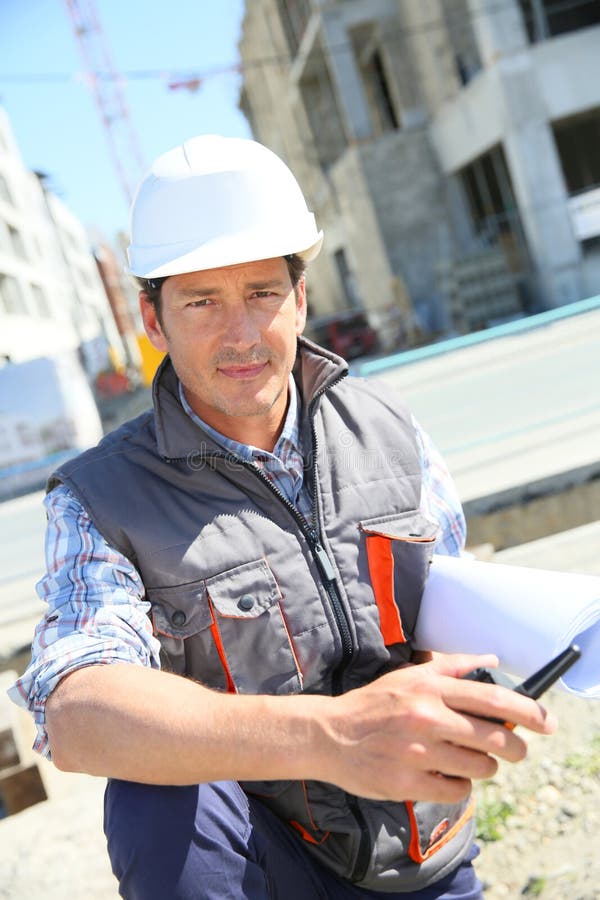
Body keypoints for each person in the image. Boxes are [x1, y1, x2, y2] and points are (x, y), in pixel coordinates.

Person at [9, 136, 555, 900]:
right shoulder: (104, 497)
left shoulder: (386, 426)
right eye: (201, 301)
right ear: (152, 320)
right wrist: (333, 740)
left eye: (262, 292)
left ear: (300, 297)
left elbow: (451, 605)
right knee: (154, 796)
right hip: (264, 862)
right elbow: (78, 712)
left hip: (416, 846)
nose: (240, 334)